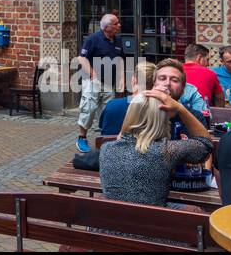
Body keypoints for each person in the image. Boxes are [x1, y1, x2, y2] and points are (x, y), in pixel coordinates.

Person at [100, 90, 214, 207]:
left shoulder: (106, 149)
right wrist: (181, 109)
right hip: (151, 222)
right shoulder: (165, 151)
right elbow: (206, 145)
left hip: (111, 220)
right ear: (162, 119)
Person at [75, 13, 123, 153]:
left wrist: (121, 81)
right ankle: (82, 138)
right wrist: (93, 75)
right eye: (116, 23)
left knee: (108, 111)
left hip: (109, 82)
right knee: (88, 109)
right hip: (92, 81)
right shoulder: (93, 39)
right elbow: (82, 58)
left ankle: (105, 140)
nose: (119, 25)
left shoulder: (118, 40)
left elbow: (120, 61)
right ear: (107, 27)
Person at [99, 61, 157, 136]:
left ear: (134, 80)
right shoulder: (160, 108)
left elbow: (104, 131)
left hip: (114, 146)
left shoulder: (113, 105)